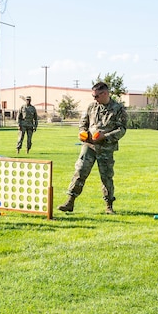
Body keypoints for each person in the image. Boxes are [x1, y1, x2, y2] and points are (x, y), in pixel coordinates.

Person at [59, 81, 128, 214]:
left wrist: (105, 136)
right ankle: (70, 201)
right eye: (93, 96)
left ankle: (109, 206)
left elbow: (122, 129)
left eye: (96, 96)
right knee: (80, 171)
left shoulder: (118, 109)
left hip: (106, 148)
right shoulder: (91, 107)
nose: (94, 99)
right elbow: (83, 124)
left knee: (106, 177)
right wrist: (82, 133)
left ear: (105, 93)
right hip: (89, 146)